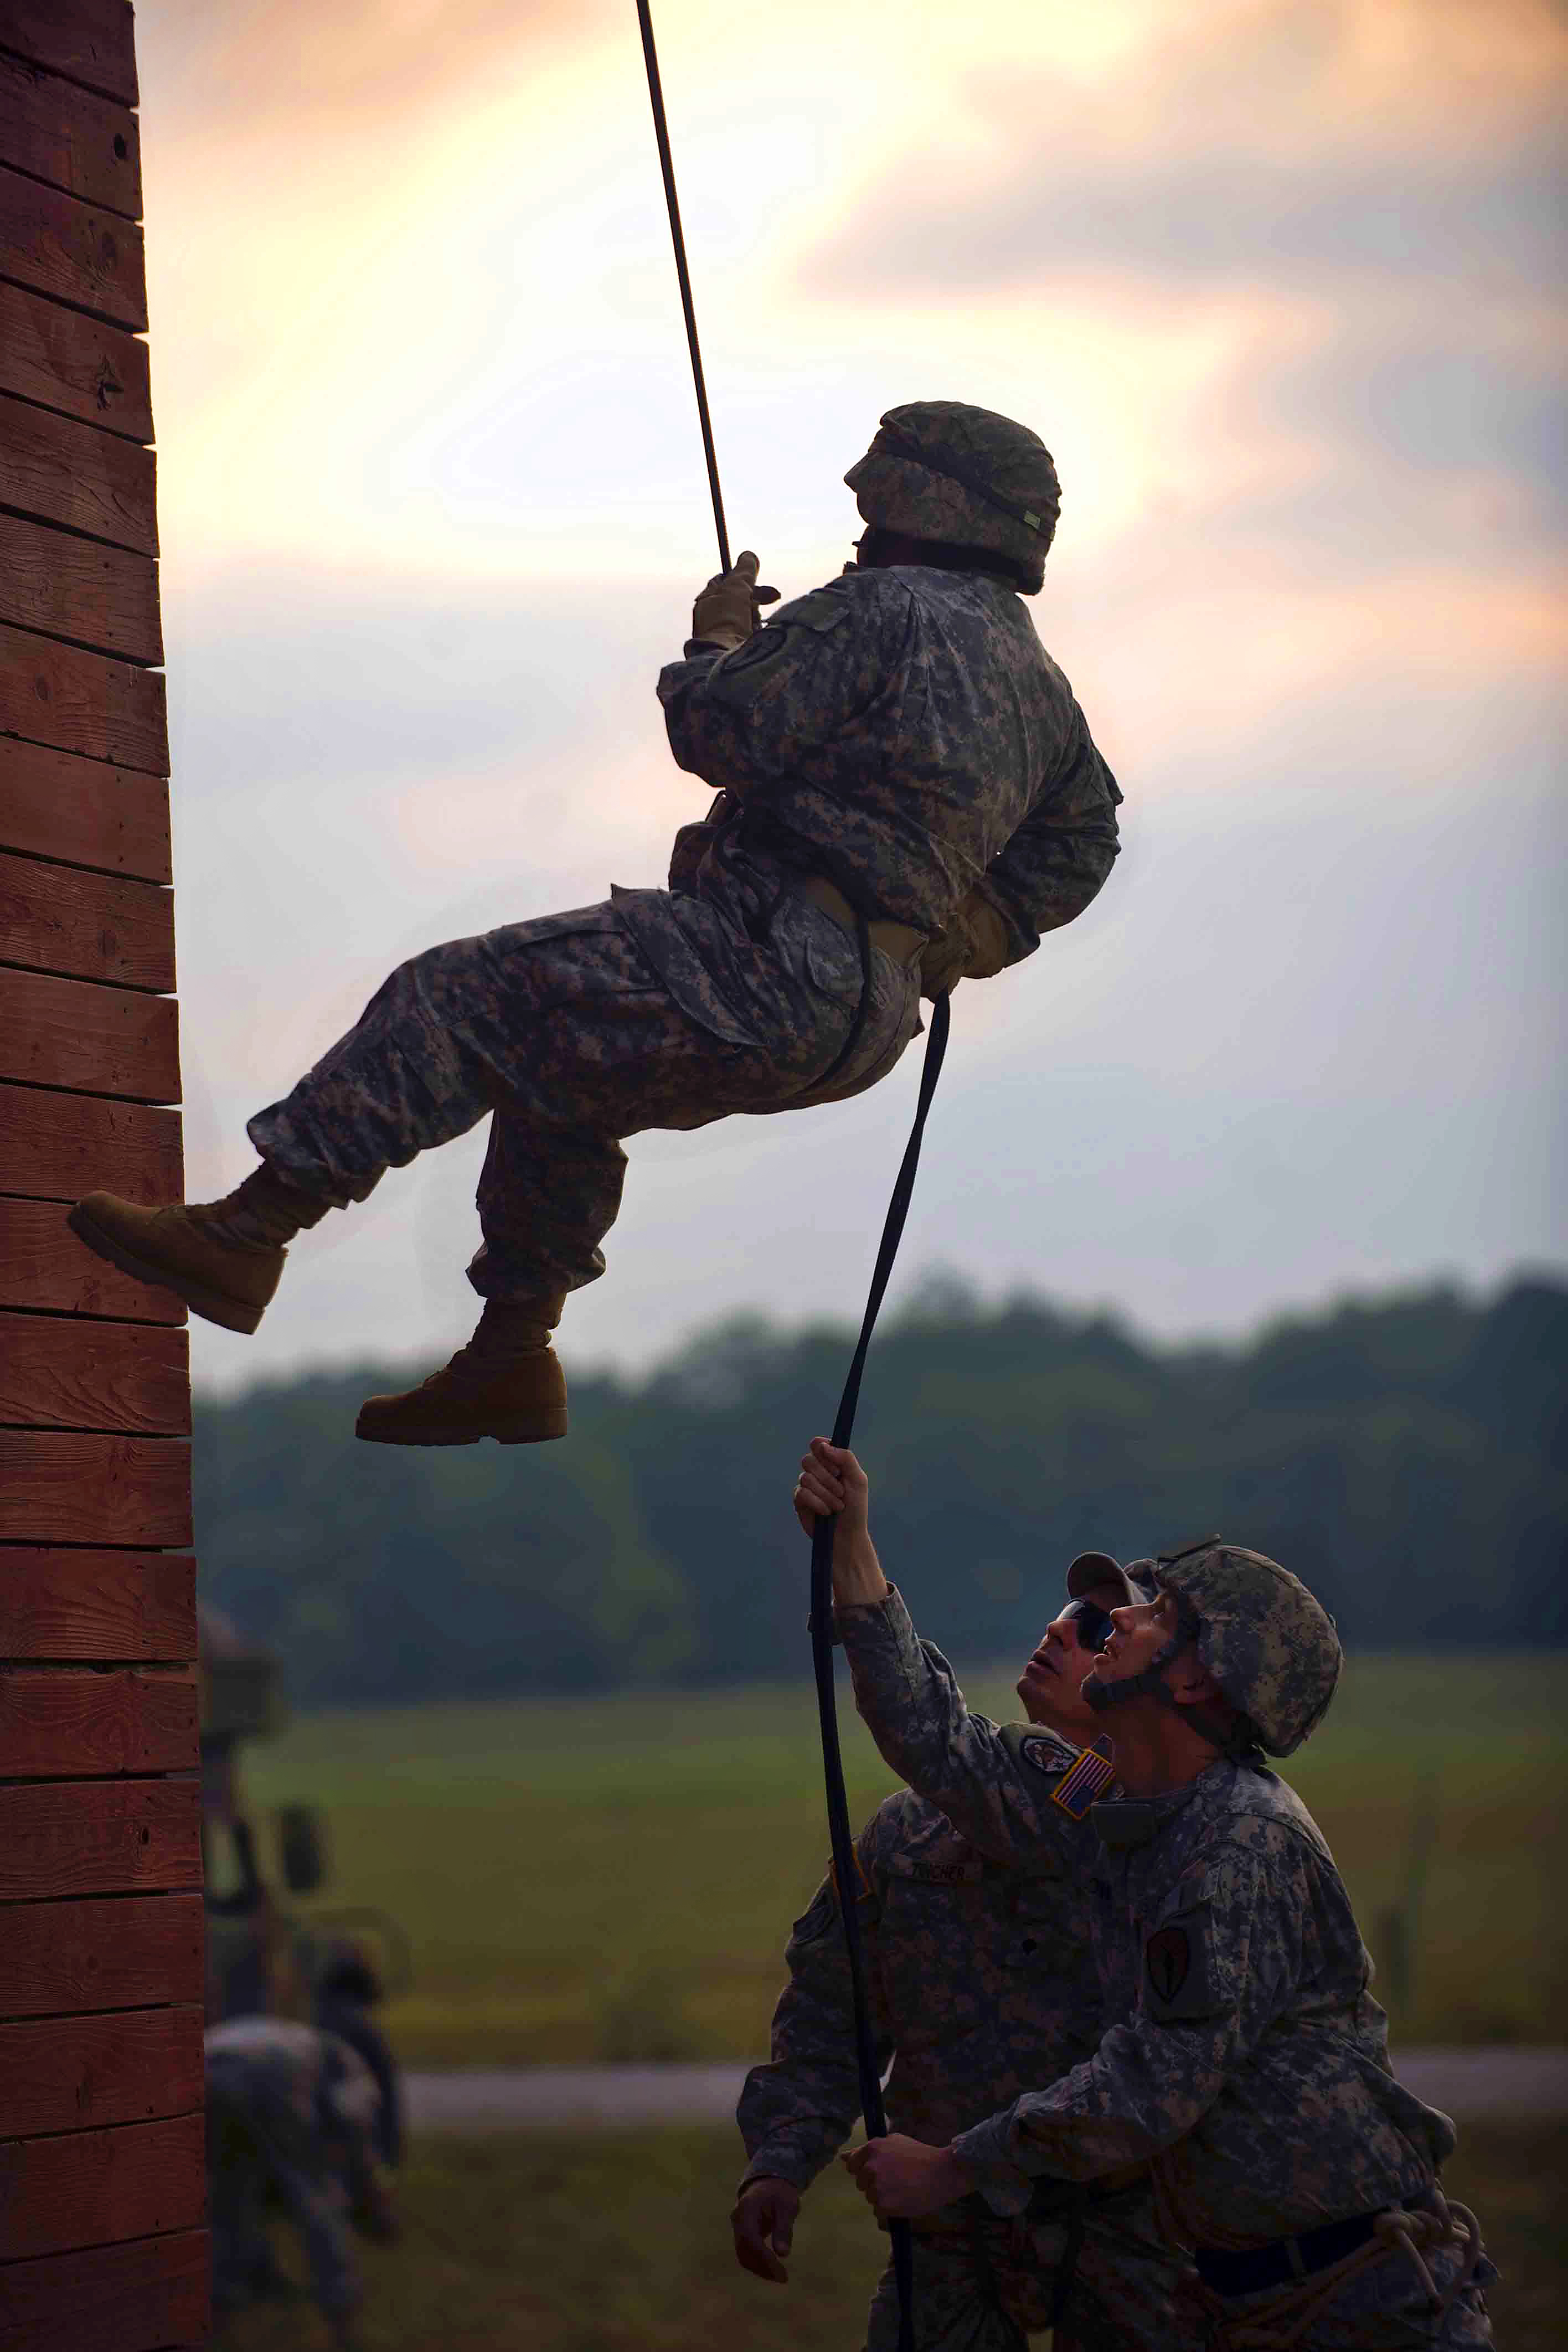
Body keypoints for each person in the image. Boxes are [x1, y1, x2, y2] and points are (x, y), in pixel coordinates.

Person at [68, 402, 1122, 1447]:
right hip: (858, 1020)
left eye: (878, 496)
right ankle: (511, 1357)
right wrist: (942, 942)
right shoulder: (1043, 689)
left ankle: (250, 1232)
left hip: (754, 970)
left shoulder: (879, 607)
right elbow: (1080, 845)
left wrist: (717, 641)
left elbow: (717, 731)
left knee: (459, 995)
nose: (860, 521)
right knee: (560, 1069)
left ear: (930, 504)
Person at [793, 1438, 1497, 2350]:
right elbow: (935, 1737)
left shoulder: (1240, 1845)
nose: (1117, 1620)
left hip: (1358, 2305)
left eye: (1155, 1614)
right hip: (1248, 2303)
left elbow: (1147, 2086)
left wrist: (956, 2167)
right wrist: (850, 1540)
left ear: (1199, 1676)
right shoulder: (1109, 1804)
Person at [734, 1518, 1194, 2350]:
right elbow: (833, 2012)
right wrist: (780, 2157)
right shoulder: (908, 1835)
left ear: (1148, 1674)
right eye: (1063, 1612)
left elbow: (952, 1748)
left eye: (1098, 1628)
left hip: (1122, 2230)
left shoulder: (1159, 1834)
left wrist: (853, 1554)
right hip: (947, 2238)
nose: (1059, 1630)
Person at [205, 2014, 390, 2348]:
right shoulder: (346, 2061)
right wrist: (371, 2200)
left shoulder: (295, 2036)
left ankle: (219, 2316)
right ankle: (342, 2317)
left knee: (230, 2197)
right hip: (275, 2071)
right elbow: (355, 2131)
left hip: (210, 2067)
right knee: (315, 2196)